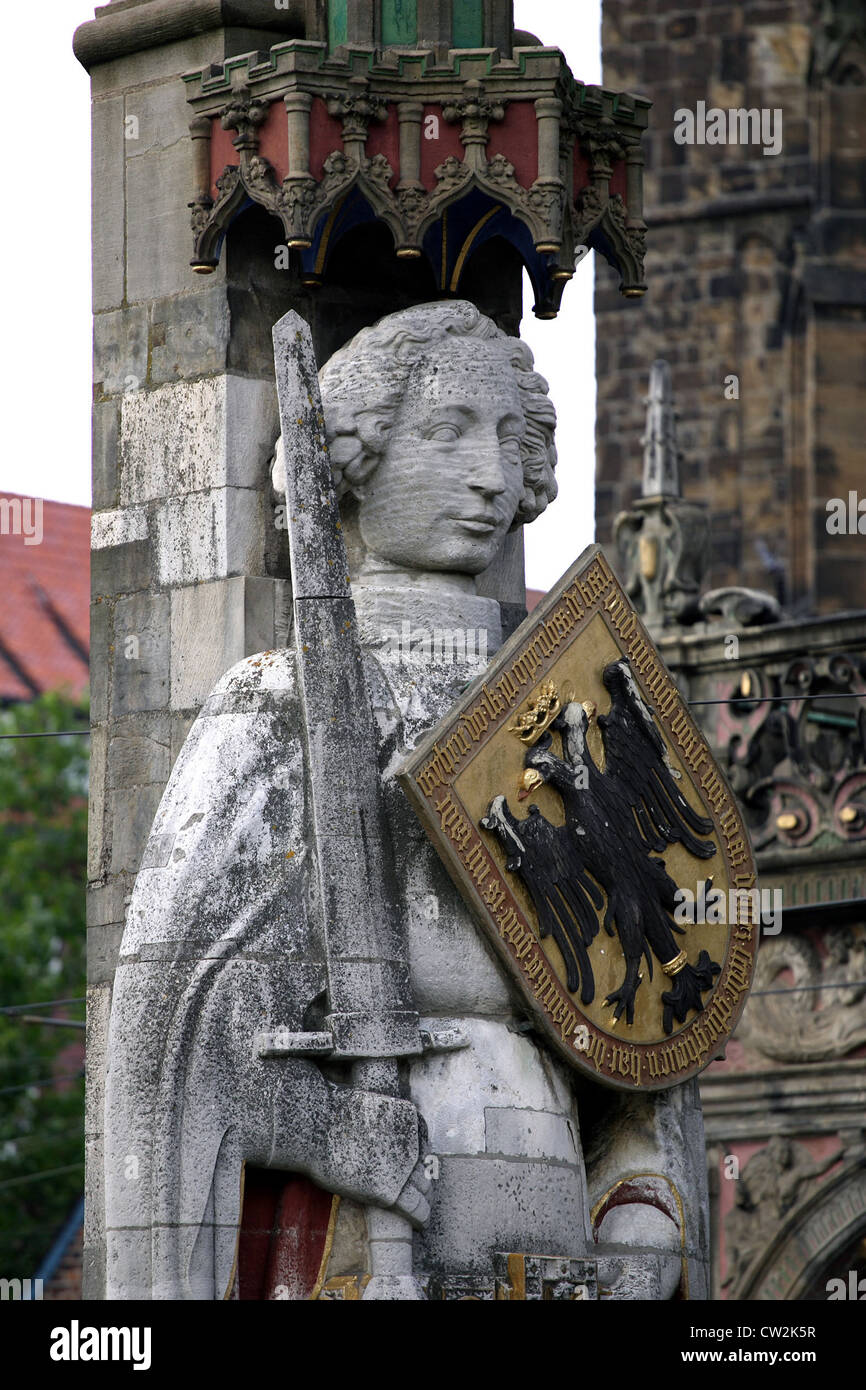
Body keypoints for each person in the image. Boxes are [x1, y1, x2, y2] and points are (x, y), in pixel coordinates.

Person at [104, 302, 709, 1299]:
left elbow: (641, 1032)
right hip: (363, 1245)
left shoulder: (585, 705)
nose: (489, 475)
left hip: (561, 1244)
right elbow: (184, 1039)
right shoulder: (281, 700)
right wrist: (326, 1127)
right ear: (356, 455)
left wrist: (642, 1211)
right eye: (446, 432)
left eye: (508, 440)